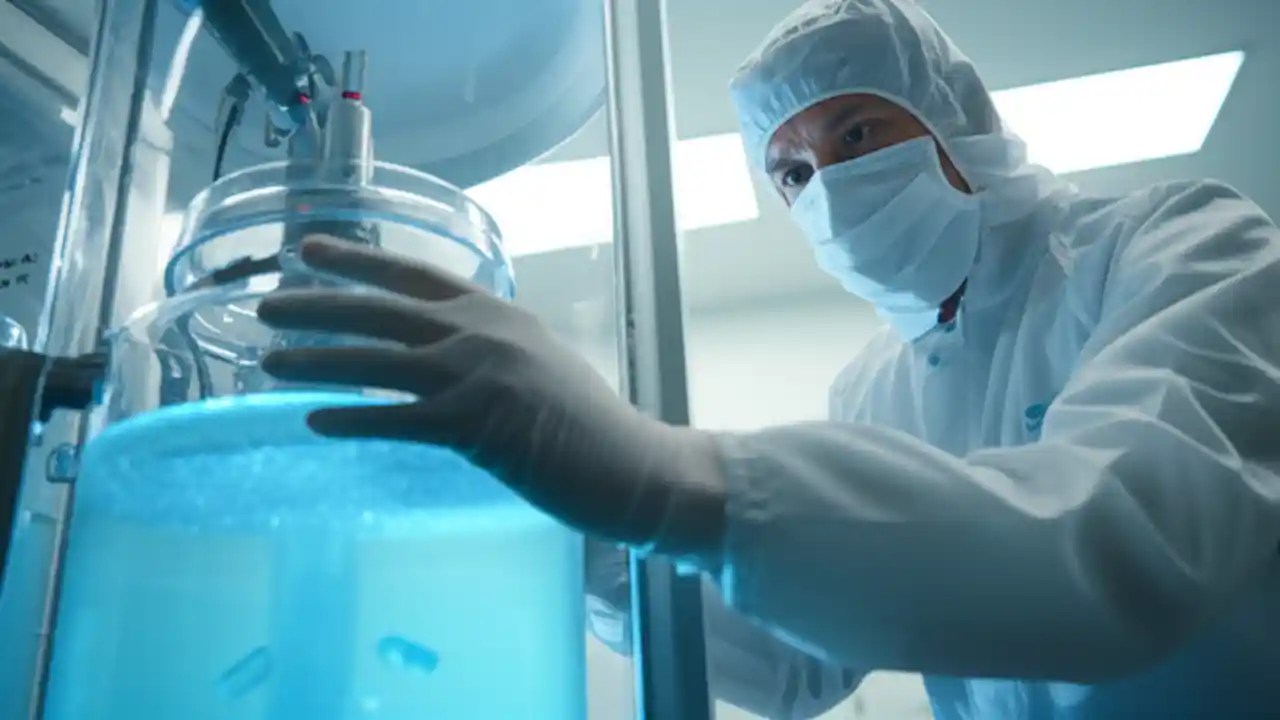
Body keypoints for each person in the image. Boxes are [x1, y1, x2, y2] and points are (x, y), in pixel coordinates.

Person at [258, 0, 1280, 717]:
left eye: (856, 132)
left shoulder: (1177, 244)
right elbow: (800, 669)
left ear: (956, 119)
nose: (826, 184)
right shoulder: (876, 385)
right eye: (790, 170)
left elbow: (1123, 539)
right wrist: (593, 543)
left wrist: (665, 474)